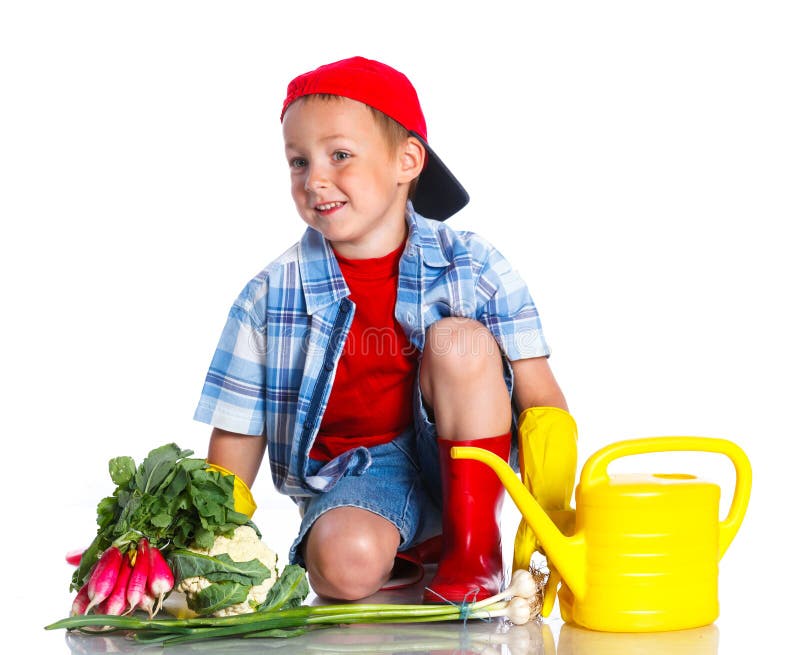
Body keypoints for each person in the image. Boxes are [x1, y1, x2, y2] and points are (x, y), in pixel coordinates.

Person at [194, 56, 572, 603]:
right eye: (299, 162)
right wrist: (212, 537)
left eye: (339, 155)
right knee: (342, 570)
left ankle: (472, 550)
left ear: (407, 160)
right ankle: (402, 551)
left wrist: (553, 511)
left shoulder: (474, 267)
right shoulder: (268, 297)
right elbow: (238, 430)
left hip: (461, 463)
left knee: (459, 341)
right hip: (358, 478)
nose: (314, 180)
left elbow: (539, 395)